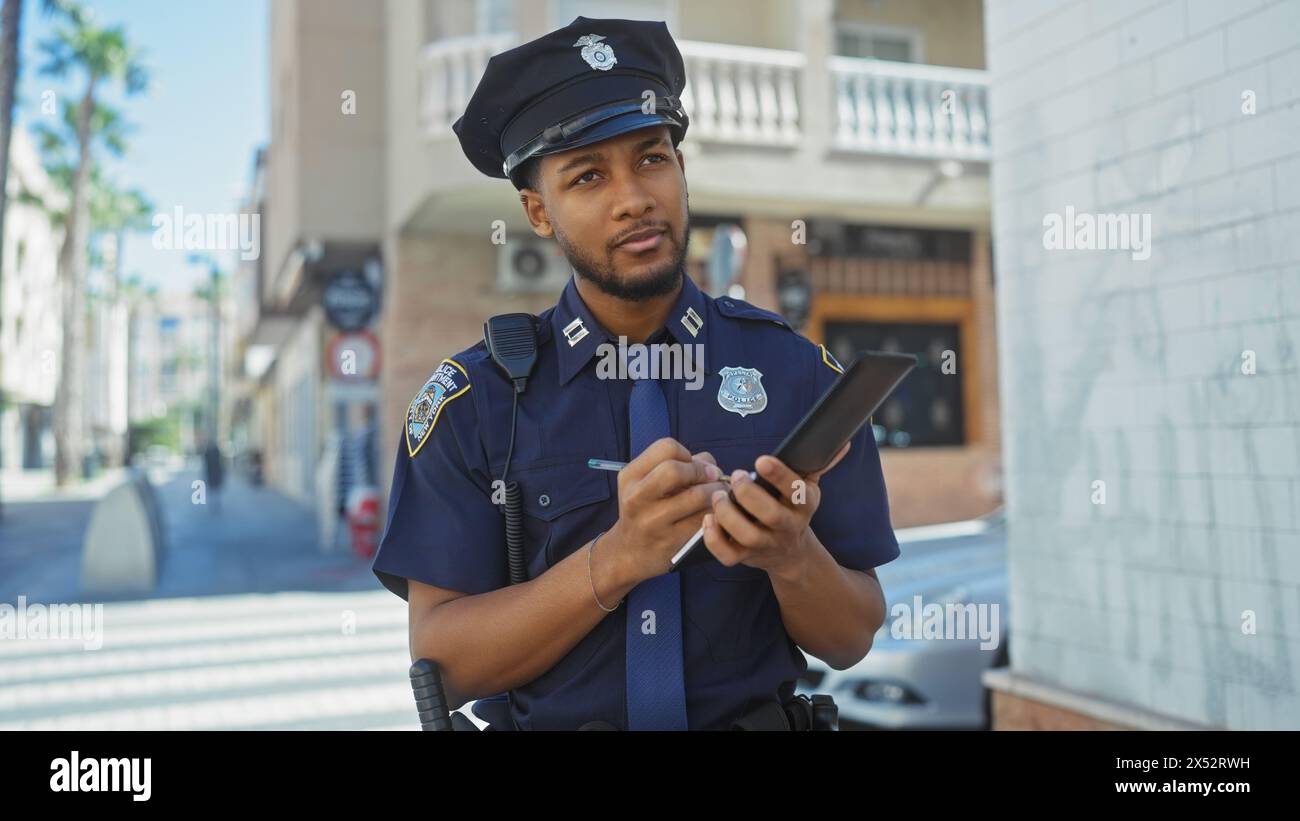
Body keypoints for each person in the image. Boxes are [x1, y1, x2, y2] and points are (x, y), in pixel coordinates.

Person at [372, 16, 899, 730]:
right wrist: (615, 559)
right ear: (538, 212)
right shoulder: (474, 404)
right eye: (588, 176)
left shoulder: (798, 373)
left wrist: (791, 553)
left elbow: (853, 635)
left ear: (682, 170)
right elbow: (444, 661)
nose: (633, 197)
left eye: (651, 158)